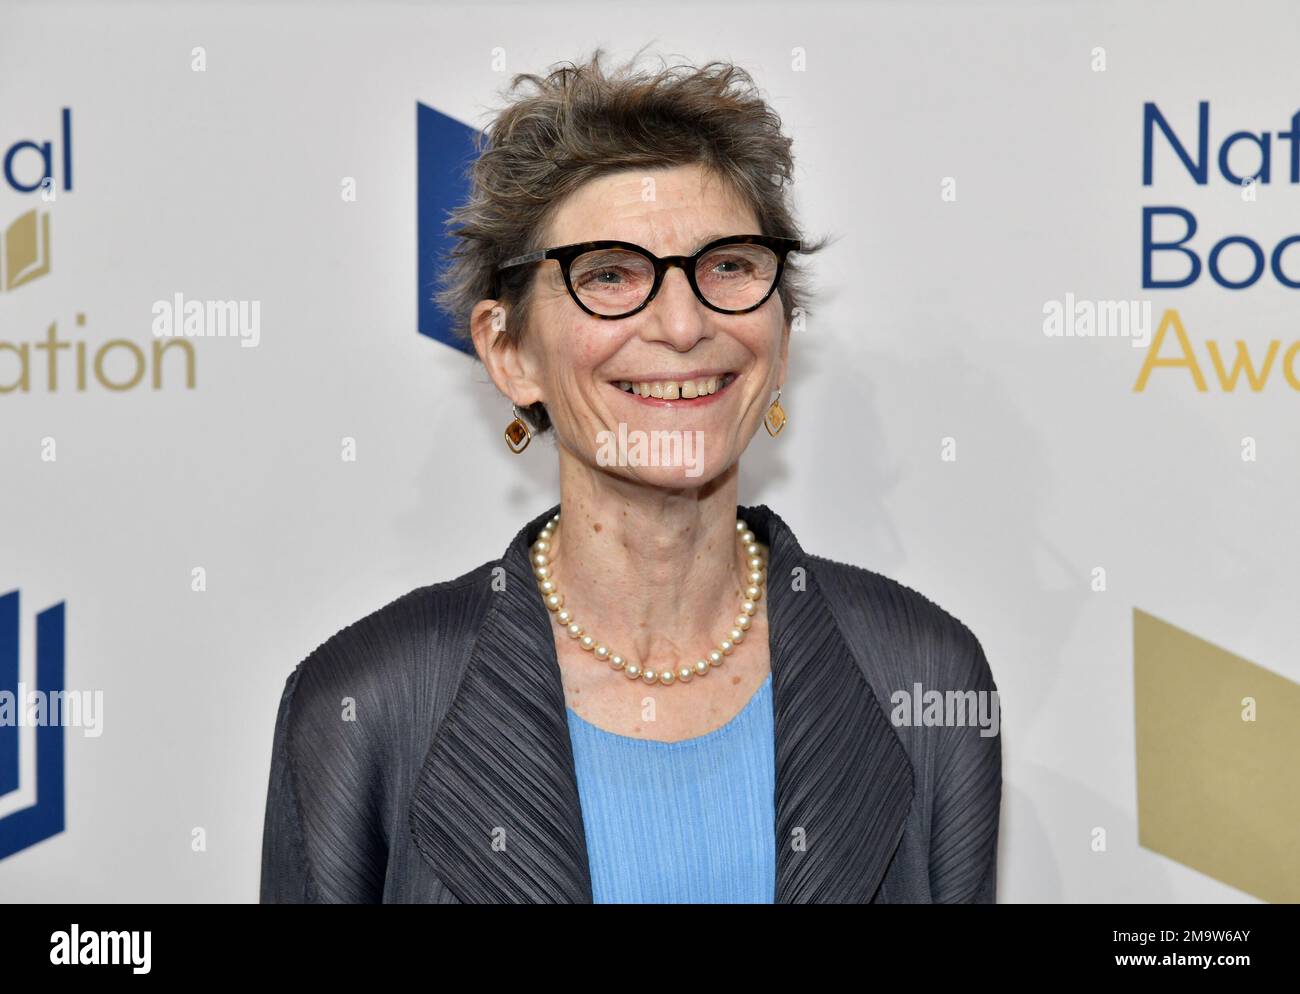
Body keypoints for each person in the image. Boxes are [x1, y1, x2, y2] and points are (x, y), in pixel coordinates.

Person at [259, 49, 1001, 904]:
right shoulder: (366, 704)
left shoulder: (925, 677)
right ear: (509, 351)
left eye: (729, 265)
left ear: (783, 334)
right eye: (609, 275)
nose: (684, 324)